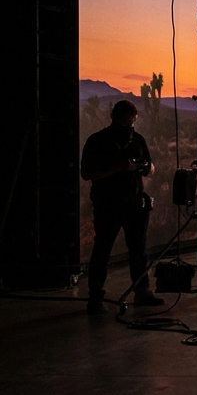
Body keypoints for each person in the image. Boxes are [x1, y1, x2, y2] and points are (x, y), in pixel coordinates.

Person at [80, 99, 159, 313]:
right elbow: (87, 173)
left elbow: (151, 168)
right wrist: (118, 168)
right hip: (108, 205)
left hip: (134, 203)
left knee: (138, 250)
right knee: (103, 249)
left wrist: (144, 168)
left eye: (131, 119)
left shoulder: (138, 140)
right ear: (117, 117)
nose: (130, 123)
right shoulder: (98, 141)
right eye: (128, 119)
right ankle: (95, 297)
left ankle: (142, 292)